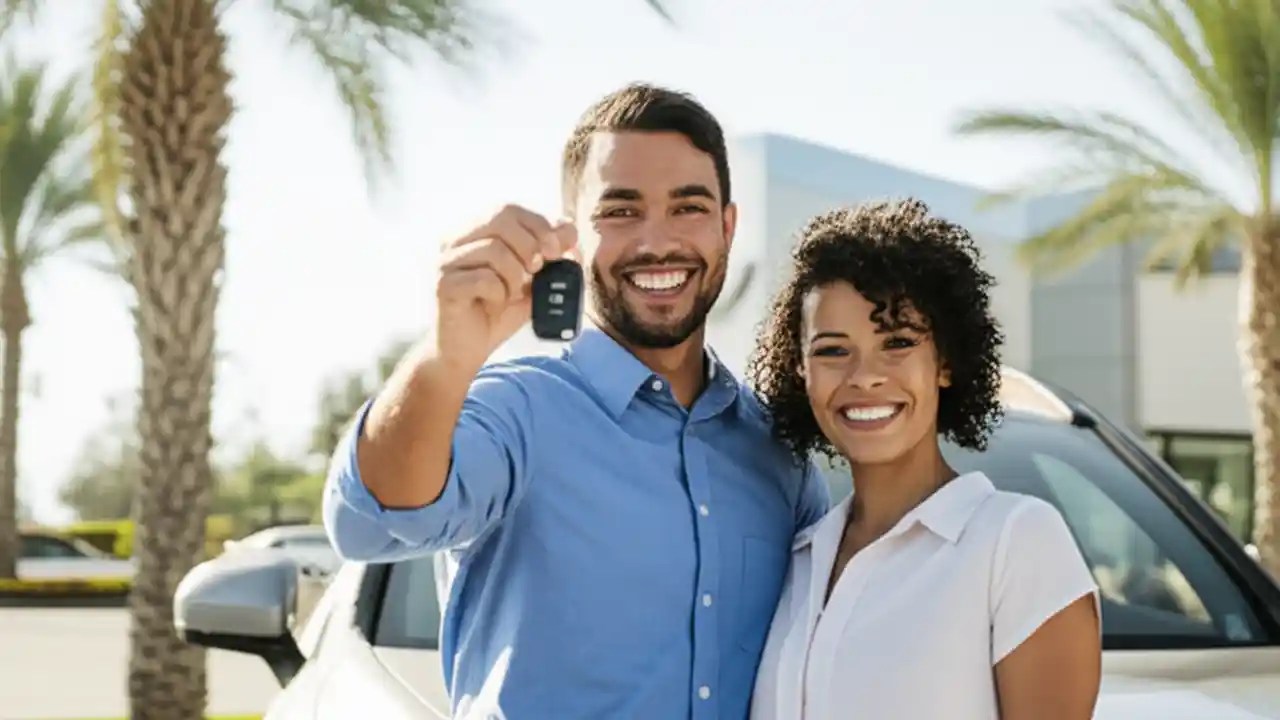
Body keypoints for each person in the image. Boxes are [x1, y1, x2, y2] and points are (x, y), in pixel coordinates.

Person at [321, 82, 831, 720]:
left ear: (727, 226)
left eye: (688, 207)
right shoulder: (517, 409)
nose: (657, 241)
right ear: (573, 237)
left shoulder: (778, 453)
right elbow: (378, 512)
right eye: (621, 211)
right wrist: (448, 354)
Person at [745, 199, 1102, 720]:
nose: (864, 376)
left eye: (898, 342)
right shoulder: (798, 557)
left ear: (946, 363)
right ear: (801, 370)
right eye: (832, 350)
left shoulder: (1016, 543)